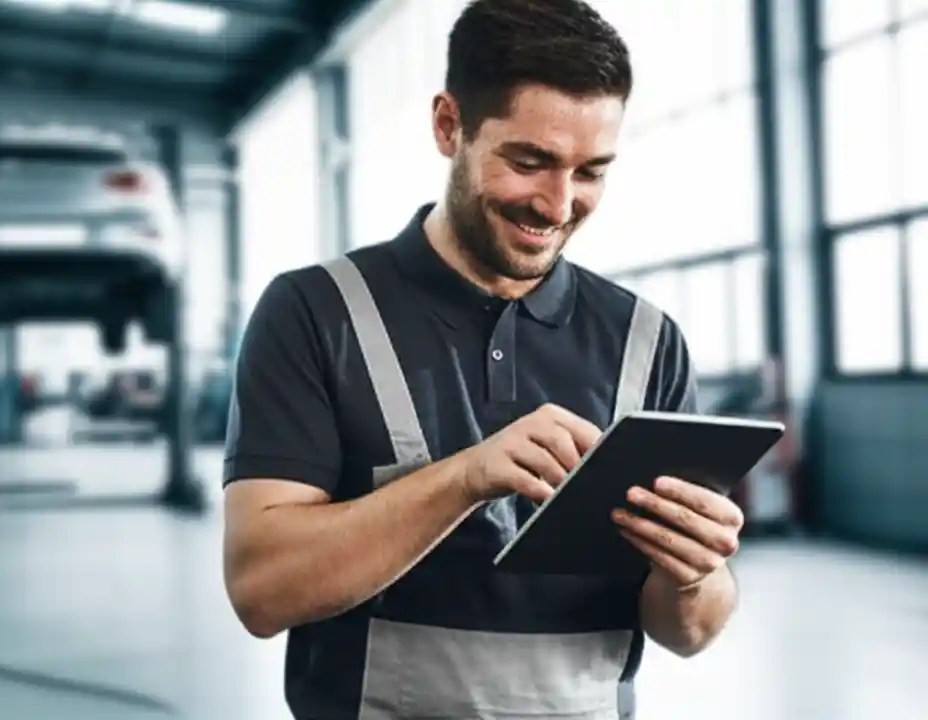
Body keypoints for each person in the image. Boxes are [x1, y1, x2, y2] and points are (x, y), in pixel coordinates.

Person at [221, 1, 745, 718]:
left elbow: (689, 630)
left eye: (590, 172)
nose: (558, 205)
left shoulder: (648, 341)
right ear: (449, 126)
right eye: (529, 163)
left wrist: (693, 576)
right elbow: (261, 591)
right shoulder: (315, 312)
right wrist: (467, 477)